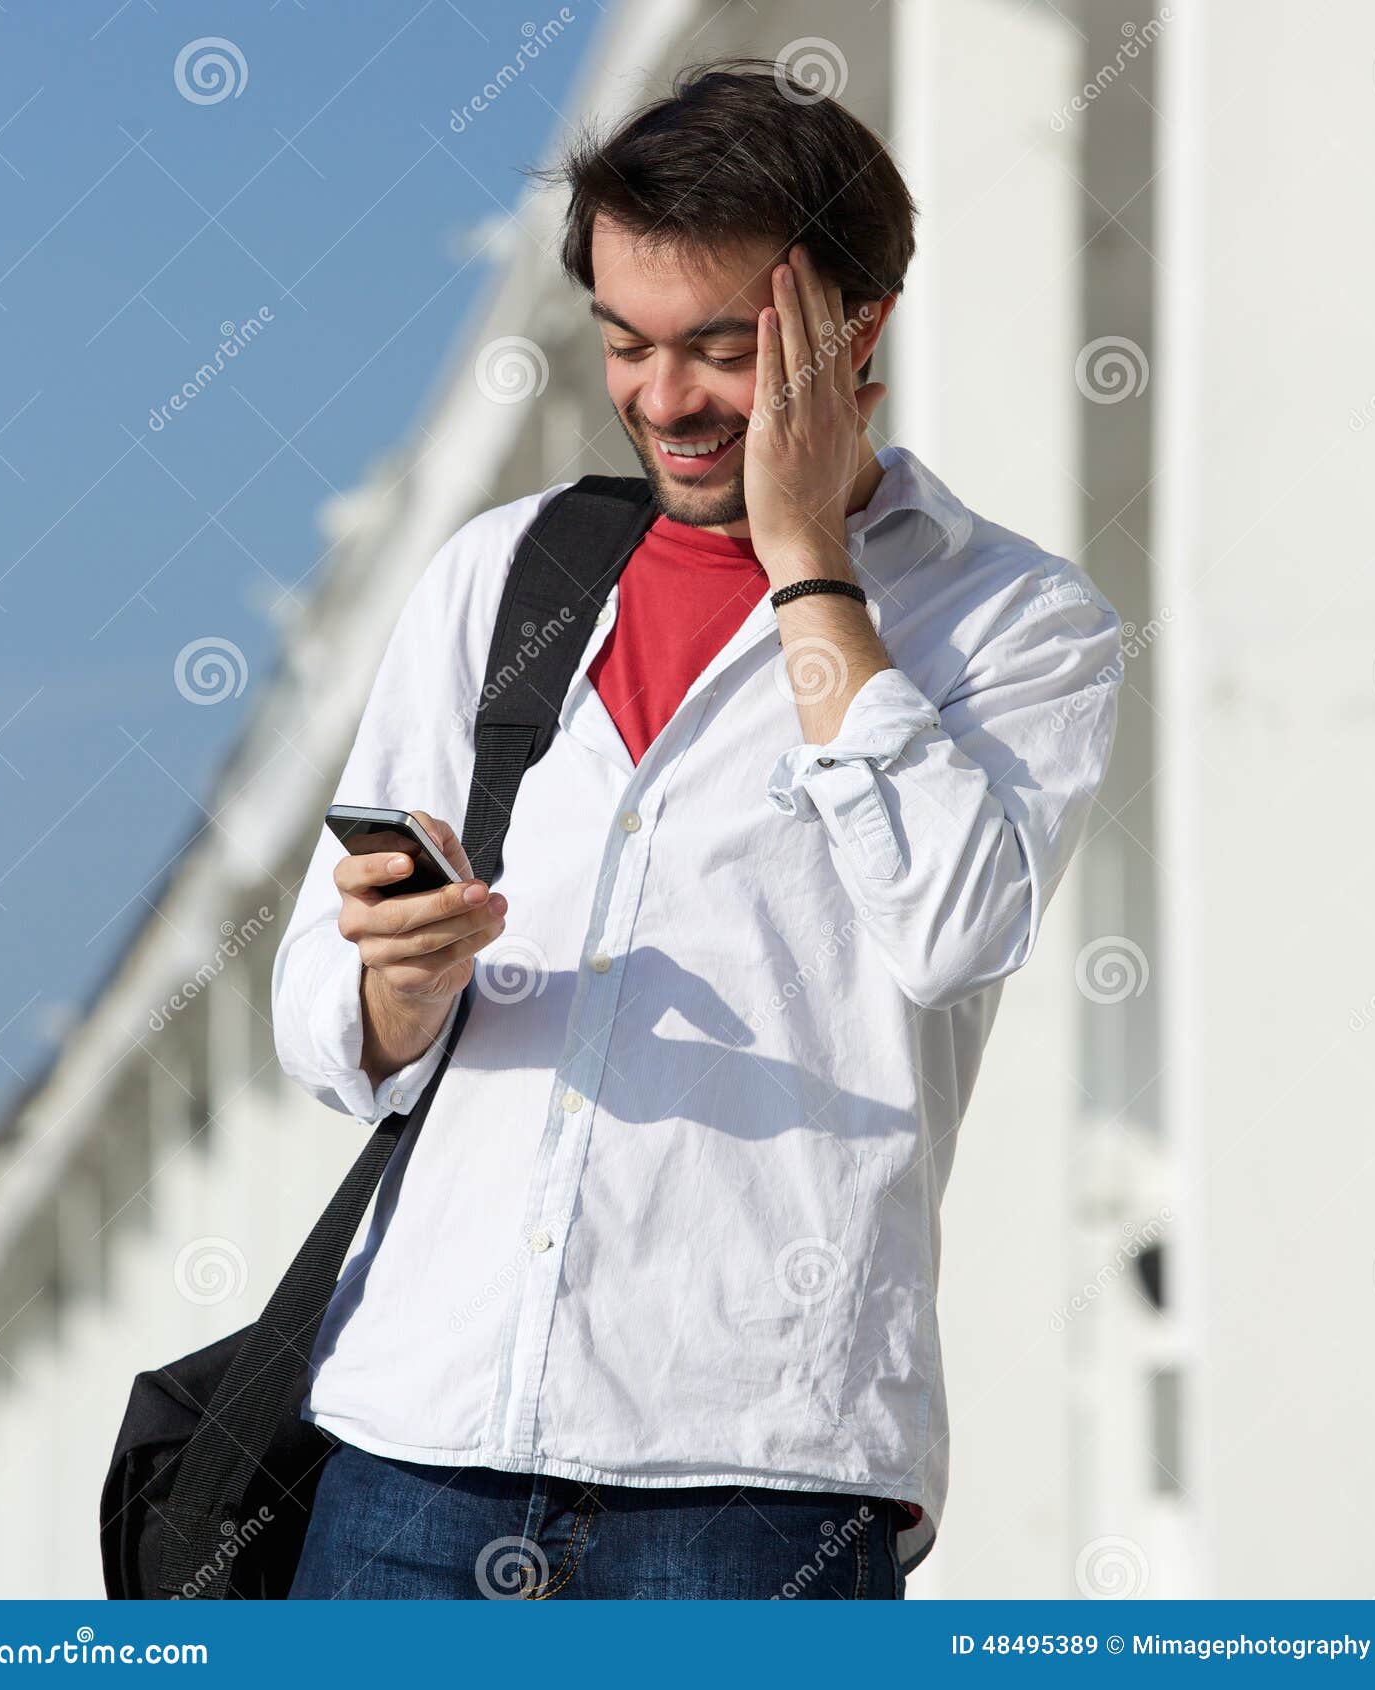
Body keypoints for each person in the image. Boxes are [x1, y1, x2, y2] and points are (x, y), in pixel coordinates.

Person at [272, 57, 1123, 1600]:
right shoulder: (502, 576)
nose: (663, 400)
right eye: (626, 345)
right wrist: (396, 979)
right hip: (415, 1444)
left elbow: (955, 929)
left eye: (723, 353)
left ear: (853, 331)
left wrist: (809, 562)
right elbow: (317, 1018)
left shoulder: (1019, 622)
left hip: (760, 1485)